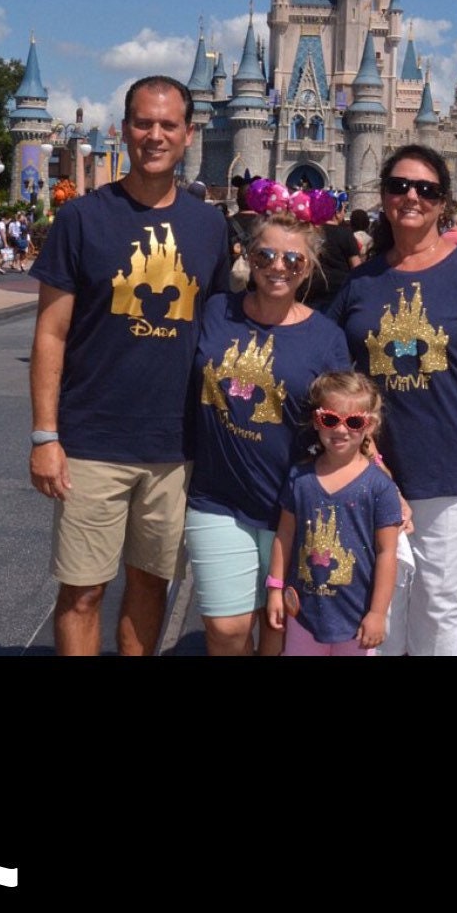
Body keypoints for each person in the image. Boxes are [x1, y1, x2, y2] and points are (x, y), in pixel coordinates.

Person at [28, 75, 230, 656]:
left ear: (189, 133)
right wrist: (46, 434)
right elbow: (51, 332)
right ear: (124, 129)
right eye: (144, 123)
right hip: (92, 440)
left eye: (169, 124)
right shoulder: (83, 219)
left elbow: (218, 328)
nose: (155, 135)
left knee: (150, 585)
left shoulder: (209, 226)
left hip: (174, 445)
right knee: (84, 592)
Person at [328, 143, 457, 656]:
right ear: (385, 196)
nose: (411, 196)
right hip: (372, 474)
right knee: (376, 616)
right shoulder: (362, 281)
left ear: (442, 202)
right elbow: (331, 370)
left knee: (439, 615)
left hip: (451, 478)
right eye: (399, 186)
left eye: (426, 189)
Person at [185, 182, 353, 656]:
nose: (278, 267)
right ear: (249, 257)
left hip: (293, 507)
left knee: (277, 632)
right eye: (266, 256)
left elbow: (344, 419)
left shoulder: (326, 337)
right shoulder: (217, 312)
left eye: (292, 260)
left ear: (310, 266)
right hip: (218, 498)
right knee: (227, 630)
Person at [266, 370, 402, 656]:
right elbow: (285, 535)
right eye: (330, 419)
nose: (340, 430)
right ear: (317, 420)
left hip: (357, 619)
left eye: (353, 422)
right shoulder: (299, 478)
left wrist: (378, 613)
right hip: (303, 614)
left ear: (370, 425)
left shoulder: (380, 487)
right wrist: (275, 588)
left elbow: (387, 552)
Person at [301, 190, 361, 310]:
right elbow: (357, 267)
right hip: (339, 293)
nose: (344, 214)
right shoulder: (346, 234)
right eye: (344, 209)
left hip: (311, 292)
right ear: (336, 212)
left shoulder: (310, 232)